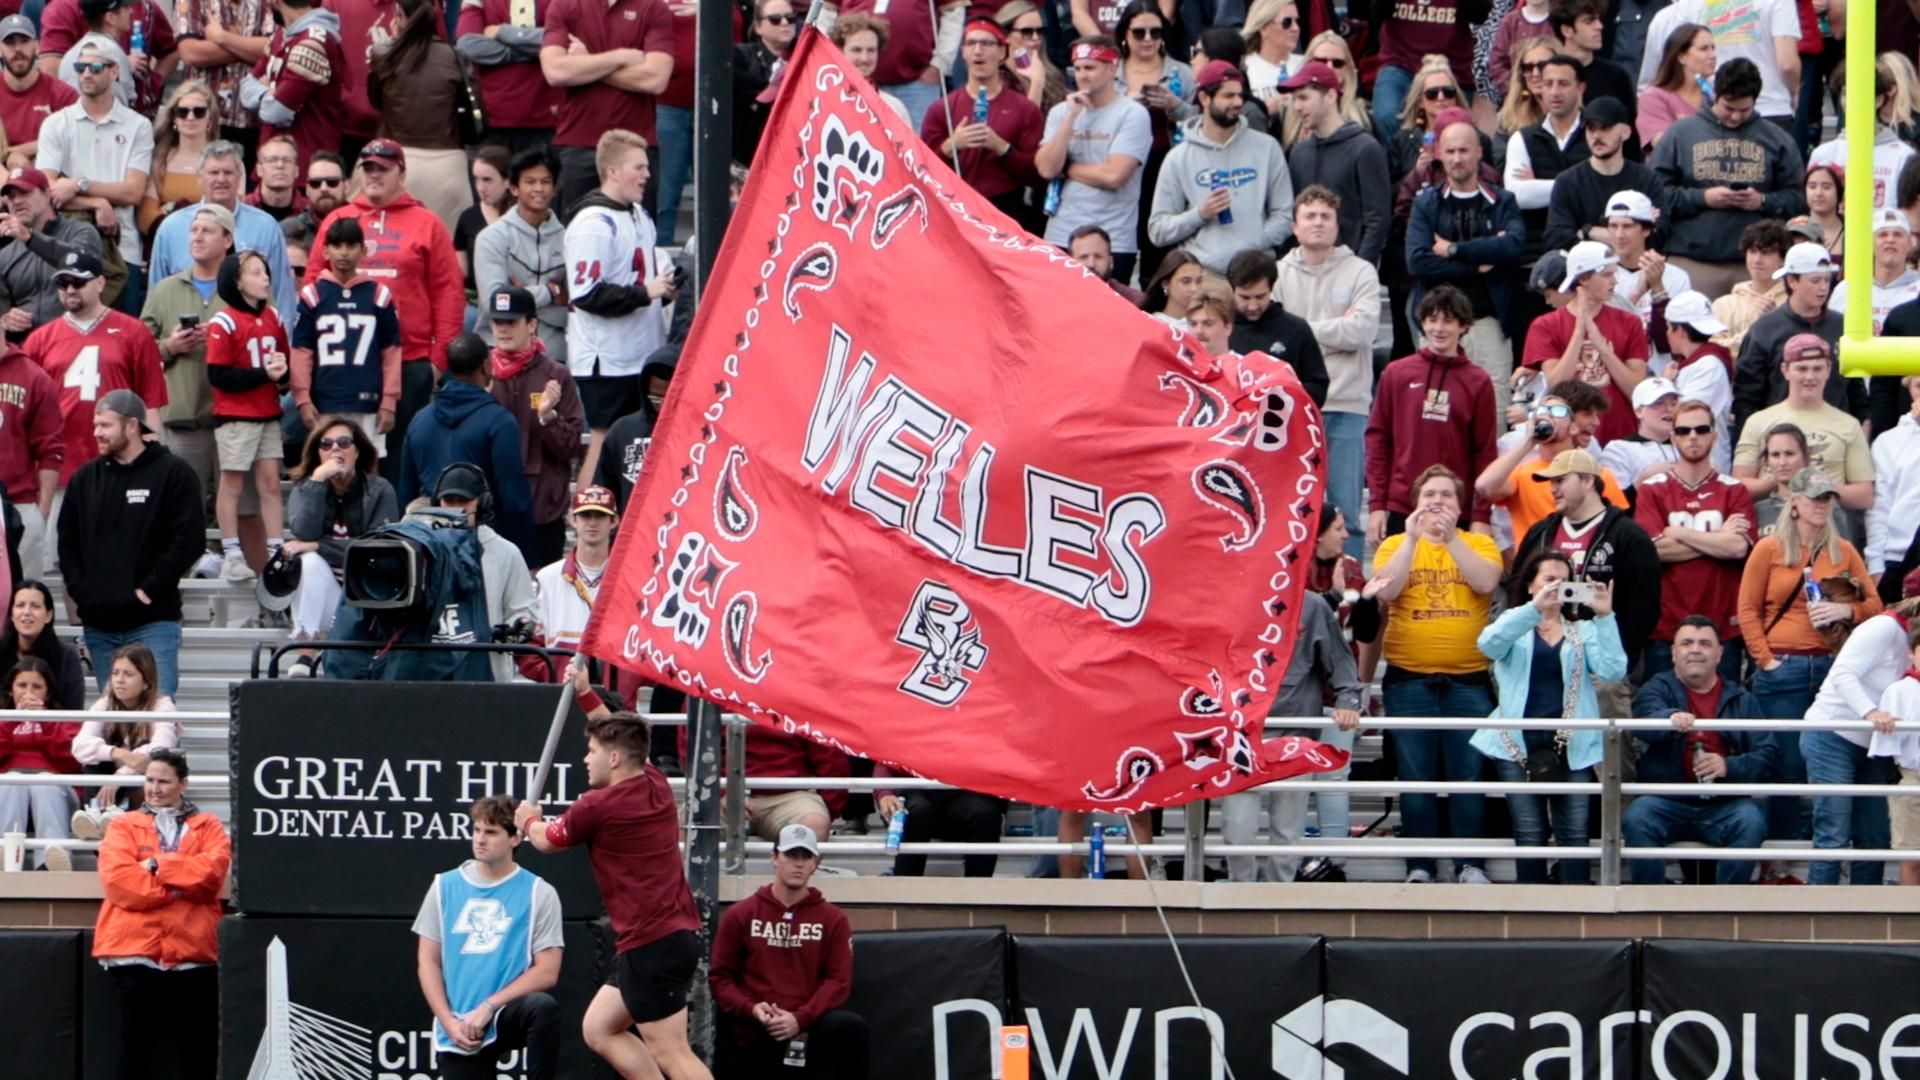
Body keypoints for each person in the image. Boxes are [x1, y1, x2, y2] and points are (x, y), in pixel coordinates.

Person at [515, 687, 711, 1080]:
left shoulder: (596, 804)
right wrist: (586, 692)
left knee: (673, 1053)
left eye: (592, 751)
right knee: (600, 1028)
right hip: (668, 938)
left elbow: (547, 842)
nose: (587, 759)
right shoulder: (654, 781)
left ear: (615, 758)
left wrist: (528, 820)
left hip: (652, 942)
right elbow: (615, 730)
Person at [1363, 465, 1504, 884]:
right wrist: (1411, 538)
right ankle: (1420, 866)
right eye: (1429, 495)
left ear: (1460, 507)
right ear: (1415, 505)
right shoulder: (1393, 544)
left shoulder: (1480, 542)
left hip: (1469, 680)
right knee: (1415, 777)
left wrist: (1452, 537)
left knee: (1469, 776)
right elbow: (1386, 591)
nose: (1437, 502)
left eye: (1446, 495)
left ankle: (1468, 864)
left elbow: (1485, 582)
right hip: (1409, 679)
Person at [1739, 466, 1880, 848]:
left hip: (1833, 667)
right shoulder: (1768, 548)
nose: (1822, 506)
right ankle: (1784, 852)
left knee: (1830, 759)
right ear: (1794, 503)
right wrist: (1765, 660)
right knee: (1786, 765)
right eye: (1815, 498)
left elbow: (1875, 605)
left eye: (1827, 498)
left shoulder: (1844, 550)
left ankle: (1826, 844)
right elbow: (1748, 609)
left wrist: (1844, 612)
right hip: (1784, 665)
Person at [307, 140, 466, 459]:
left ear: (402, 174)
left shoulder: (428, 223)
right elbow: (313, 286)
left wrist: (437, 361)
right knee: (343, 457)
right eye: (368, 168)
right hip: (345, 363)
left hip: (409, 360)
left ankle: (396, 510)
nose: (374, 175)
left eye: (383, 168)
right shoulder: (339, 219)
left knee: (401, 458)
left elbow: (448, 293)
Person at [1472, 553, 1622, 884]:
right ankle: (1531, 910)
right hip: (1517, 744)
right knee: (1529, 831)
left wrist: (1606, 615)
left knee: (1575, 831)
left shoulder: (1584, 630)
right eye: (1547, 580)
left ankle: (1580, 909)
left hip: (1574, 743)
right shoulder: (1515, 622)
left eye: (1562, 581)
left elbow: (1613, 670)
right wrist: (1532, 610)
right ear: (1529, 585)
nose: (1555, 587)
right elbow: (1488, 645)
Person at [91, 749, 229, 1080]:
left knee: (198, 1052)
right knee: (134, 1049)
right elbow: (120, 883)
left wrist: (156, 866)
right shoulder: (123, 824)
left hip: (193, 954)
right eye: (150, 780)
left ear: (183, 784)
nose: (154, 788)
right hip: (135, 952)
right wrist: (180, 887)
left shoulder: (208, 824)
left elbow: (212, 876)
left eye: (164, 781)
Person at [59, 390, 203, 698]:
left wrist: (149, 589)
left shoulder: (174, 473)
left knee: (157, 715)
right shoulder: (84, 479)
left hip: (154, 622)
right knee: (114, 720)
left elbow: (190, 541)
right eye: (95, 424)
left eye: (106, 425)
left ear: (132, 426)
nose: (97, 432)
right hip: (99, 625)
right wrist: (82, 593)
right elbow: (67, 543)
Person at [413, 795, 563, 1080]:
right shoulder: (443, 886)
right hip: (460, 1021)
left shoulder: (539, 893)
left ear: (515, 839)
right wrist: (449, 1022)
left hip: (506, 1011)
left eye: (491, 832)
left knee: (542, 1009)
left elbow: (547, 970)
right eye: (476, 830)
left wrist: (490, 1006)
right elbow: (427, 962)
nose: (480, 839)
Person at [1221, 585, 1362, 882]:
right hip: (1242, 735)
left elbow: (1341, 664)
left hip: (1295, 735)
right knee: (1237, 832)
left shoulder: (1311, 605)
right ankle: (1239, 898)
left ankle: (1279, 896)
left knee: (1287, 831)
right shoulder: (1230, 600)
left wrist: (1347, 701)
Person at [564, 128, 675, 490]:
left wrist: (667, 290)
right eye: (638, 167)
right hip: (607, 357)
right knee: (603, 437)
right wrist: (646, 292)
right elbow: (587, 295)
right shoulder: (593, 224)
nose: (647, 174)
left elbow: (641, 276)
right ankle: (588, 520)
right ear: (613, 171)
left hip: (639, 349)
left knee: (640, 441)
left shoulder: (639, 215)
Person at [1626, 617, 1776, 884]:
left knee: (1751, 821)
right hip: (1667, 800)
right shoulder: (1656, 688)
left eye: (1705, 644)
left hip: (1724, 804)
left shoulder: (1742, 699)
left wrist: (1728, 766)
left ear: (1720, 654)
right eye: (1686, 643)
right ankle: (1650, 905)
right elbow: (1643, 720)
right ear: (1673, 653)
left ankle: (1724, 907)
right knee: (1638, 817)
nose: (1695, 649)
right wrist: (1670, 719)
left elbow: (1767, 754)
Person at [709, 823, 866, 1079]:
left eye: (806, 857)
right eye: (791, 855)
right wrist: (750, 1009)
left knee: (851, 1028)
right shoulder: (741, 914)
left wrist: (799, 1019)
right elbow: (720, 978)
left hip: (808, 1026)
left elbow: (838, 981)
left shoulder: (833, 919)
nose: (799, 864)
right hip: (753, 1026)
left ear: (815, 863)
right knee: (724, 1024)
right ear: (774, 858)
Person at [26, 250, 169, 518]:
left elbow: (150, 402)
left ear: (100, 283)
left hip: (118, 460)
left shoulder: (134, 332)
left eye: (78, 282)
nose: (70, 290)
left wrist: (149, 461)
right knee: (56, 553)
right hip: (58, 465)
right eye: (63, 283)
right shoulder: (40, 339)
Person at [1277, 184, 1378, 557]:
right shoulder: (1278, 274)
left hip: (1347, 406)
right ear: (1295, 225)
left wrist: (1301, 330)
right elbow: (1277, 340)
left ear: (1337, 225)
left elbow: (1363, 331)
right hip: (1294, 408)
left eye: (1325, 216)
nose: (1318, 223)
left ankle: (1347, 591)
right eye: (1310, 216)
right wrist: (1335, 327)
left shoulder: (1361, 272)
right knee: (1295, 509)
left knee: (1347, 513)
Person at [1651, 58, 1807, 299]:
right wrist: (1703, 197)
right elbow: (1656, 194)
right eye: (1728, 108)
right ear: (1715, 95)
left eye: (1744, 110)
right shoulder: (1680, 134)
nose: (1735, 117)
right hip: (1693, 259)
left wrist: (1762, 201)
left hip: (1756, 265)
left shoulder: (1777, 139)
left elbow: (1798, 198)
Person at [1404, 113, 1527, 415]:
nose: (1457, 159)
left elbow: (1512, 247)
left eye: (1463, 150)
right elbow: (1418, 262)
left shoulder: (1503, 201)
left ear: (1479, 152)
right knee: (1435, 416)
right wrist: (1476, 265)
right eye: (1450, 151)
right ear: (1438, 154)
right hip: (1438, 326)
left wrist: (1454, 249)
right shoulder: (1426, 202)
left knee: (1494, 412)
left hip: (1489, 323)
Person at [1365, 286, 1500, 545]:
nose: (1439, 328)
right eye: (1432, 319)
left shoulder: (1478, 381)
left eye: (1448, 321)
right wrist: (1377, 505)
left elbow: (1485, 452)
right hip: (1402, 505)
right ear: (1422, 323)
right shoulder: (1397, 373)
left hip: (1455, 509)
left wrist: (1481, 514)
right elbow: (1378, 441)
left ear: (1463, 327)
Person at [1634, 398, 1756, 681]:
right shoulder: (1652, 490)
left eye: (1701, 430)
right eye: (1684, 430)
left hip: (1722, 628)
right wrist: (1718, 540)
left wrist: (1679, 533)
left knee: (1721, 719)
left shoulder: (1734, 490)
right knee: (1663, 717)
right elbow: (1655, 552)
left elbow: (1738, 548)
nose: (1693, 437)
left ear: (1714, 435)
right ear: (1673, 436)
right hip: (1665, 628)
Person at [1511, 448, 1663, 671]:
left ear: (1588, 481)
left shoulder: (1628, 535)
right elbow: (1518, 590)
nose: (1553, 489)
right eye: (1551, 482)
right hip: (1542, 662)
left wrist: (1616, 657)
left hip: (1600, 667)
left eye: (1561, 480)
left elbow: (1644, 607)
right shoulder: (1540, 533)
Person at [1800, 599, 1915, 885]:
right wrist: (1871, 712)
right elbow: (1842, 673)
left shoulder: (1905, 636)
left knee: (1874, 837)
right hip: (1831, 734)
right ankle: (1817, 917)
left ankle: (1869, 919)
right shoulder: (1883, 626)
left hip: (1873, 744)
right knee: (1834, 834)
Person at [34, 38, 153, 314]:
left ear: (114, 72)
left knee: (122, 340)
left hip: (124, 248)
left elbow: (133, 192)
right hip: (69, 244)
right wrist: (97, 203)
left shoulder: (138, 125)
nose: (86, 74)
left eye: (96, 67)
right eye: (81, 67)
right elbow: (46, 191)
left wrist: (78, 184)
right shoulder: (56, 123)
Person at [1148, 61, 1292, 276]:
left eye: (1239, 95)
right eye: (1228, 96)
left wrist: (1255, 241)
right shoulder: (1178, 158)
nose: (1237, 102)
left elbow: (1285, 215)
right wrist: (1200, 214)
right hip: (1204, 277)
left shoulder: (1267, 148)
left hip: (1256, 275)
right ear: (1205, 98)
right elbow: (1158, 230)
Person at [400, 334, 535, 554]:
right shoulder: (499, 421)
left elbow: (406, 496)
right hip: (483, 548)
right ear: (485, 365)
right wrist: (528, 556)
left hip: (431, 546)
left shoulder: (419, 421)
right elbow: (514, 499)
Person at [281, 417, 397, 672]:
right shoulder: (306, 489)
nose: (336, 449)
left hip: (366, 595)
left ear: (357, 450)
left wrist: (318, 546)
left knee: (311, 553)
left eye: (344, 442)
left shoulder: (380, 490)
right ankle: (306, 654)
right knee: (306, 562)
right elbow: (302, 531)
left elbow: (379, 546)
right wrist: (318, 482)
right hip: (326, 594)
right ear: (318, 453)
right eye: (326, 444)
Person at [538, 0, 673, 215]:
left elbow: (655, 79)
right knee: (573, 236)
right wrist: (619, 57)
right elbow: (556, 71)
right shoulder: (564, 5)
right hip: (577, 145)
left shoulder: (653, 7)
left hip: (634, 147)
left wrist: (587, 62)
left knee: (637, 237)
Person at [1037, 37, 1151, 283]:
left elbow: (1114, 176)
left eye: (1090, 67)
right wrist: (1070, 119)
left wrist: (1067, 168)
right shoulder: (1061, 112)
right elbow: (1046, 168)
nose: (1082, 75)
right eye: (1077, 69)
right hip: (1061, 233)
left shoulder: (1132, 114)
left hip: (1112, 239)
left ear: (1112, 68)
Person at [204, 249, 287, 582]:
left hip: (267, 412)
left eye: (265, 271)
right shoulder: (224, 321)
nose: (264, 277)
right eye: (254, 272)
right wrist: (264, 375)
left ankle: (277, 548)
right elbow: (218, 375)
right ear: (236, 281)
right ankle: (232, 550)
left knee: (271, 483)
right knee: (233, 482)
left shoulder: (274, 318)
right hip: (236, 416)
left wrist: (281, 373)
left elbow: (282, 364)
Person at [289, 218, 404, 458]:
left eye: (351, 246)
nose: (344, 253)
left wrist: (389, 400)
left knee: (368, 467)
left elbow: (391, 351)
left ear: (363, 250)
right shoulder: (313, 295)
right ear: (325, 250)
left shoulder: (378, 295)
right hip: (325, 401)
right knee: (327, 464)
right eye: (337, 245)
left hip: (368, 400)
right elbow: (302, 350)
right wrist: (302, 397)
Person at [144, 141, 296, 322]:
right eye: (214, 172)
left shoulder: (266, 227)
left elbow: (283, 298)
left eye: (228, 173)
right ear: (199, 177)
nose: (221, 179)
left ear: (240, 177)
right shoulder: (171, 228)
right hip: (183, 343)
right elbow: (155, 296)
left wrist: (282, 346)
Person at [486, 285, 582, 565]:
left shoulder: (556, 374)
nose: (503, 330)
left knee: (544, 593)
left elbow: (573, 445)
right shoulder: (482, 372)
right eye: (497, 322)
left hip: (542, 507)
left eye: (511, 322)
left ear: (532, 325)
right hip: (494, 507)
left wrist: (548, 418)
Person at [1518, 240, 1649, 445]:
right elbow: (1558, 385)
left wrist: (1604, 349)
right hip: (1568, 439)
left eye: (1614, 273)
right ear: (1584, 278)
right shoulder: (1545, 326)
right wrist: (1579, 332)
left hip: (1622, 437)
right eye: (1606, 274)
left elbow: (1638, 392)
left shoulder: (1629, 322)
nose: (1614, 281)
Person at [1733, 334, 1872, 522]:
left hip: (1827, 524)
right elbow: (1738, 486)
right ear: (1785, 370)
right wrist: (1781, 482)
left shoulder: (1848, 425)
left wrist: (1819, 486)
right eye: (1801, 369)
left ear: (1828, 370)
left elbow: (1864, 495)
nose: (1810, 377)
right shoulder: (1758, 421)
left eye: (1817, 369)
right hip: (1772, 522)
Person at [923, 19, 1045, 230]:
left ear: (1002, 52)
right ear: (963, 52)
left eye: (987, 44)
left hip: (1006, 211)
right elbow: (922, 170)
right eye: (971, 44)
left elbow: (1036, 175)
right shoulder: (941, 109)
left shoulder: (1025, 109)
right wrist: (951, 145)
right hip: (955, 210)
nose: (978, 51)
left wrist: (1002, 148)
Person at [1732, 243, 1856, 438]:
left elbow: (1854, 385)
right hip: (1780, 441)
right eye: (1815, 280)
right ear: (1792, 281)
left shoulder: (1842, 326)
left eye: (1826, 280)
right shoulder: (1764, 330)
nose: (1823, 287)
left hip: (1835, 436)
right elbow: (1746, 396)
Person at [1479, 382, 1628, 544]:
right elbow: (1484, 486)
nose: (1549, 417)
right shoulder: (1523, 474)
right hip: (1536, 565)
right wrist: (1529, 441)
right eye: (1543, 411)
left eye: (1558, 412)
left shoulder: (1598, 475)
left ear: (1573, 427)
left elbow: (1619, 531)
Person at [370, 0, 474, 230]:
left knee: (394, 250)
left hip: (397, 162)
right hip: (449, 165)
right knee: (448, 256)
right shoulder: (454, 56)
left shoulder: (384, 54)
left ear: (398, 13)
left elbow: (376, 101)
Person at [1283, 61, 1387, 265]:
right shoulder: (1299, 152)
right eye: (1294, 99)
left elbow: (1378, 220)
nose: (1297, 107)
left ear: (1330, 96)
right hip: (1307, 270)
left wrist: (1360, 270)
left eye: (1304, 97)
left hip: (1350, 270)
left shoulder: (1365, 148)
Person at [1637, 0, 1800, 129]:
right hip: (1771, 106)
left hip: (1719, 109)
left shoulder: (1687, 6)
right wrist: (1794, 91)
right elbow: (1787, 64)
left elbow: (1676, 50)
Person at [70, 642, 177, 835]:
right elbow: (79, 746)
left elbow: (160, 749)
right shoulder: (104, 704)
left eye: (128, 674)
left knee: (148, 753)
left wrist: (121, 775)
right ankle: (96, 816)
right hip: (112, 783)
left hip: (144, 784)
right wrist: (118, 753)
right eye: (115, 673)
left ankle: (114, 819)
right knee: (94, 763)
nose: (119, 680)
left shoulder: (162, 705)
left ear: (146, 682)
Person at [473, 147, 567, 361]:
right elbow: (495, 304)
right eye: (530, 182)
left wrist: (520, 296)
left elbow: (571, 312)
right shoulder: (491, 238)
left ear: (554, 189)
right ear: (514, 188)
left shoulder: (568, 238)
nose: (539, 188)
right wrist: (549, 294)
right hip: (501, 355)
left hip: (554, 356)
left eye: (546, 181)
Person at [238, 0, 347, 181]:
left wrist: (268, 91)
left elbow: (275, 112)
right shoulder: (281, 35)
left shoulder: (313, 42)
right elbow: (245, 90)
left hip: (307, 169)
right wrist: (268, 94)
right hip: (272, 163)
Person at [0, 164, 104, 347]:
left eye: (25, 193)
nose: (16, 201)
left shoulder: (81, 231)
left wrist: (31, 238)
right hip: (27, 352)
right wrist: (6, 318)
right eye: (11, 196)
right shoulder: (5, 255)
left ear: (47, 194)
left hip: (76, 343)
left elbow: (81, 263)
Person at [1541, 99, 1663, 254]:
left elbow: (1660, 234)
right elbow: (1555, 237)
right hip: (1587, 273)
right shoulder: (1568, 181)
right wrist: (1629, 234)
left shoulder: (1648, 179)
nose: (1597, 135)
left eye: (1606, 128)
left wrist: (1586, 232)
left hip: (1637, 268)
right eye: (1591, 128)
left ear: (1626, 132)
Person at [824, 0, 964, 132]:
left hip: (917, 83)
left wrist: (940, 64)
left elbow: (953, 11)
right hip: (852, 82)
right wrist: (828, 61)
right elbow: (824, 13)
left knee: (919, 149)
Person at [524, 484, 616, 680]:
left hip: (617, 704)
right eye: (585, 515)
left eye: (600, 516)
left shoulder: (628, 578)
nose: (592, 522)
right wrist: (557, 677)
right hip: (562, 700)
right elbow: (527, 648)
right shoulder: (548, 578)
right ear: (573, 519)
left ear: (614, 521)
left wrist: (627, 683)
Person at [1504, 54, 1589, 261]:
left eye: (1563, 84)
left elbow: (1604, 191)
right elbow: (1518, 195)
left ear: (1580, 88)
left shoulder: (1596, 135)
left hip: (1588, 254)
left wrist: (1537, 185)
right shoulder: (1522, 138)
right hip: (1534, 254)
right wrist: (1578, 185)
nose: (1554, 92)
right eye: (1548, 84)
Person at [0, 656, 81, 870]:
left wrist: (45, 722)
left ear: (48, 692)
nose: (29, 692)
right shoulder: (2, 719)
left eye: (37, 686)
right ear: (11, 689)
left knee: (44, 783)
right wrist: (11, 722)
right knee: (12, 781)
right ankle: (5, 859)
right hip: (8, 787)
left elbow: (72, 760)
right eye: (22, 685)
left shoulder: (63, 719)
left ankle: (50, 863)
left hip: (55, 790)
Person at [454, 0, 564, 153]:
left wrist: (502, 32)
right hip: (490, 121)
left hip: (546, 119)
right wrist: (534, 51)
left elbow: (566, 38)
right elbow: (468, 46)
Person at [1368, 0, 1486, 141]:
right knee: (1386, 114)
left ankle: (1441, 159)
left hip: (1450, 66)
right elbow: (1374, 15)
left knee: (1453, 124)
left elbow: (1480, 15)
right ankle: (1403, 159)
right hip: (1400, 61)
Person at [172, 0, 277, 154]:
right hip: (202, 117)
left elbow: (273, 50)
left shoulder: (267, 2)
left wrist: (222, 38)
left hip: (251, 118)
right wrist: (247, 45)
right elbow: (191, 53)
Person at [1223, 247, 1327, 402]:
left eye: (1260, 297)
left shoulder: (1296, 329)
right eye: (1245, 298)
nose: (1253, 306)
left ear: (1271, 289)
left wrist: (1280, 392)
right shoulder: (1219, 328)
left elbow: (1318, 387)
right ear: (1232, 290)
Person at [0, 332, 63, 578]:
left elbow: (50, 449)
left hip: (19, 504)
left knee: (24, 603)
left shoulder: (33, 376)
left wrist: (41, 512)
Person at [594, 344, 675, 513]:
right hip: (632, 534)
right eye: (656, 398)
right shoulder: (623, 431)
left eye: (670, 399)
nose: (662, 407)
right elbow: (604, 491)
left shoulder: (701, 430)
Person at [1869, 623, 1920, 887]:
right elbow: (1884, 752)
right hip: (1911, 777)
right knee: (1911, 857)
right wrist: (1898, 784)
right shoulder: (1898, 691)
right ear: (1911, 653)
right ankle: (1910, 923)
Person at [1662, 291, 1735, 467]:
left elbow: (1684, 415)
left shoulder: (1709, 366)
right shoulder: (1689, 363)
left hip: (1710, 465)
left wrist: (1665, 384)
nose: (1666, 333)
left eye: (1668, 327)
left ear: (1679, 330)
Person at [137, 81, 217, 239]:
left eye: (199, 111)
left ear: (210, 117)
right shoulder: (159, 159)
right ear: (174, 118)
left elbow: (232, 212)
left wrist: (172, 210)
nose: (190, 117)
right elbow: (145, 217)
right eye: (183, 112)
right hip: (166, 243)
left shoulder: (226, 160)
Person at [0, 16, 79, 174]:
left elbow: (77, 142)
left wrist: (9, 152)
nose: (18, 49)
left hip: (52, 182)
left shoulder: (63, 94)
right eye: (10, 43)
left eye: (24, 41)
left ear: (37, 46)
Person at [1830, 208, 1920, 339]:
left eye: (1898, 234)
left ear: (1910, 243)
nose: (1890, 240)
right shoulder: (1846, 289)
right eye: (1882, 234)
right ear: (1870, 243)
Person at [0, 579, 86, 709]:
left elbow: (73, 712)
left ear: (48, 615)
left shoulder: (66, 657)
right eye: (20, 605)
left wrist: (43, 715)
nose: (27, 612)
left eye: (35, 606)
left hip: (53, 728)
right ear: (11, 614)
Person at [1871, 377, 1920, 605]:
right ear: (1909, 389)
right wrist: (1876, 565)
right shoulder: (1887, 441)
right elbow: (1878, 508)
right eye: (1919, 385)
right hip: (1899, 557)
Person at [1712, 219, 1792, 356]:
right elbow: (1712, 349)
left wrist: (1775, 320)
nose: (1757, 260)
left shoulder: (1792, 303)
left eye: (1766, 253)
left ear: (1783, 259)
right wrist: (1756, 327)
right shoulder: (1723, 305)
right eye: (1753, 251)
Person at [1598, 375, 1680, 502]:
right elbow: (1612, 504)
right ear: (1639, 411)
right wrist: (1643, 480)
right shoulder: (1619, 449)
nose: (1669, 409)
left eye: (1673, 404)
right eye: (1658, 403)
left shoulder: (1686, 447)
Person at [1637, 22, 1715, 148]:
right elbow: (1663, 144)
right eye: (1704, 49)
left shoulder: (1716, 95)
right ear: (1681, 57)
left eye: (1713, 48)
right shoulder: (1654, 97)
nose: (1712, 55)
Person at [831, 11, 910, 123]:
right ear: (840, 51)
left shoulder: (894, 107)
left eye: (871, 50)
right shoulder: (823, 103)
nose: (864, 58)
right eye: (856, 50)